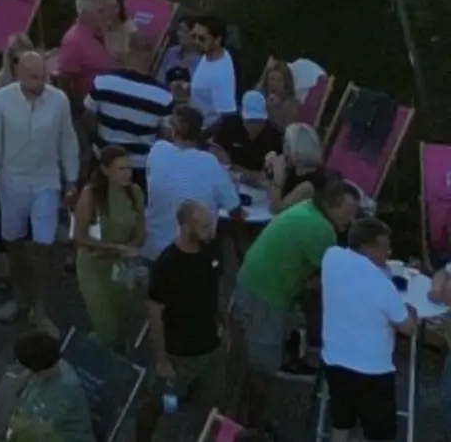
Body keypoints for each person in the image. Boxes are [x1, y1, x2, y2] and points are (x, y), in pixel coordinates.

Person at [228, 176, 359, 430]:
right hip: (266, 299)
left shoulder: (307, 208)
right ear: (332, 207)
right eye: (348, 213)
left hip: (248, 285)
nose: (351, 220)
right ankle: (247, 428)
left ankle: (241, 421)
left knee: (242, 364)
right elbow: (331, 280)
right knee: (260, 371)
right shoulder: (322, 229)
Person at [0, 49, 79, 331]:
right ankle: (21, 298)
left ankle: (41, 308)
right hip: (11, 183)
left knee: (44, 246)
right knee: (13, 244)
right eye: (33, 76)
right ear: (20, 74)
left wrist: (71, 179)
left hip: (46, 182)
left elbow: (68, 141)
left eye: (43, 75)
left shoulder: (58, 101)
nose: (40, 81)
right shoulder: (1, 100)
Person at [320, 216, 414, 442]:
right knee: (379, 434)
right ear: (367, 248)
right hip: (372, 371)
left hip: (335, 360)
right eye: (384, 248)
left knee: (341, 422)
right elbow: (407, 328)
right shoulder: (382, 286)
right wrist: (411, 311)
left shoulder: (331, 257)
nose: (389, 253)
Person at [138, 199, 225, 442]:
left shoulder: (210, 251)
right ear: (187, 227)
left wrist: (224, 327)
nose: (212, 230)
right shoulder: (167, 264)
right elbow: (154, 313)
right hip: (179, 355)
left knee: (210, 410)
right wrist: (162, 359)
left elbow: (214, 291)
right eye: (205, 226)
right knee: (159, 407)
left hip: (210, 349)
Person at [141, 106, 240, 259]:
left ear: (173, 130)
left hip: (154, 250)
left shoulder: (157, 151)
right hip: (192, 255)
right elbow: (234, 209)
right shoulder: (209, 162)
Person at [75, 143, 149, 345]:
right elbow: (79, 236)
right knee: (105, 322)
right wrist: (114, 248)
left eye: (129, 168)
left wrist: (130, 248)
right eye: (121, 169)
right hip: (93, 265)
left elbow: (141, 233)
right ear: (105, 170)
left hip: (120, 266)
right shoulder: (91, 194)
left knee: (120, 319)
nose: (127, 174)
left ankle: (107, 355)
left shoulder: (135, 193)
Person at [88, 30, 176, 173]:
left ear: (127, 50)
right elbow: (165, 135)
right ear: (152, 54)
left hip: (105, 160)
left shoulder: (102, 82)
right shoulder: (164, 96)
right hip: (140, 165)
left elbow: (89, 117)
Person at [3, 330, 94, 442]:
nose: (26, 372)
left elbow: (46, 428)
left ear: (39, 370)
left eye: (28, 368)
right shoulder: (44, 370)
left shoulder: (67, 389)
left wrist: (20, 425)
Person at [57, 0, 118, 100]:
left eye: (105, 10)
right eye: (100, 11)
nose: (106, 15)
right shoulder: (74, 41)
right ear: (85, 15)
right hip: (91, 107)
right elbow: (65, 82)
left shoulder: (101, 33)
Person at [186, 14, 237, 131]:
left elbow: (225, 116)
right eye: (193, 36)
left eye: (201, 38)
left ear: (217, 40)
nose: (196, 41)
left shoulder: (222, 73)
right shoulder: (205, 56)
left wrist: (200, 136)